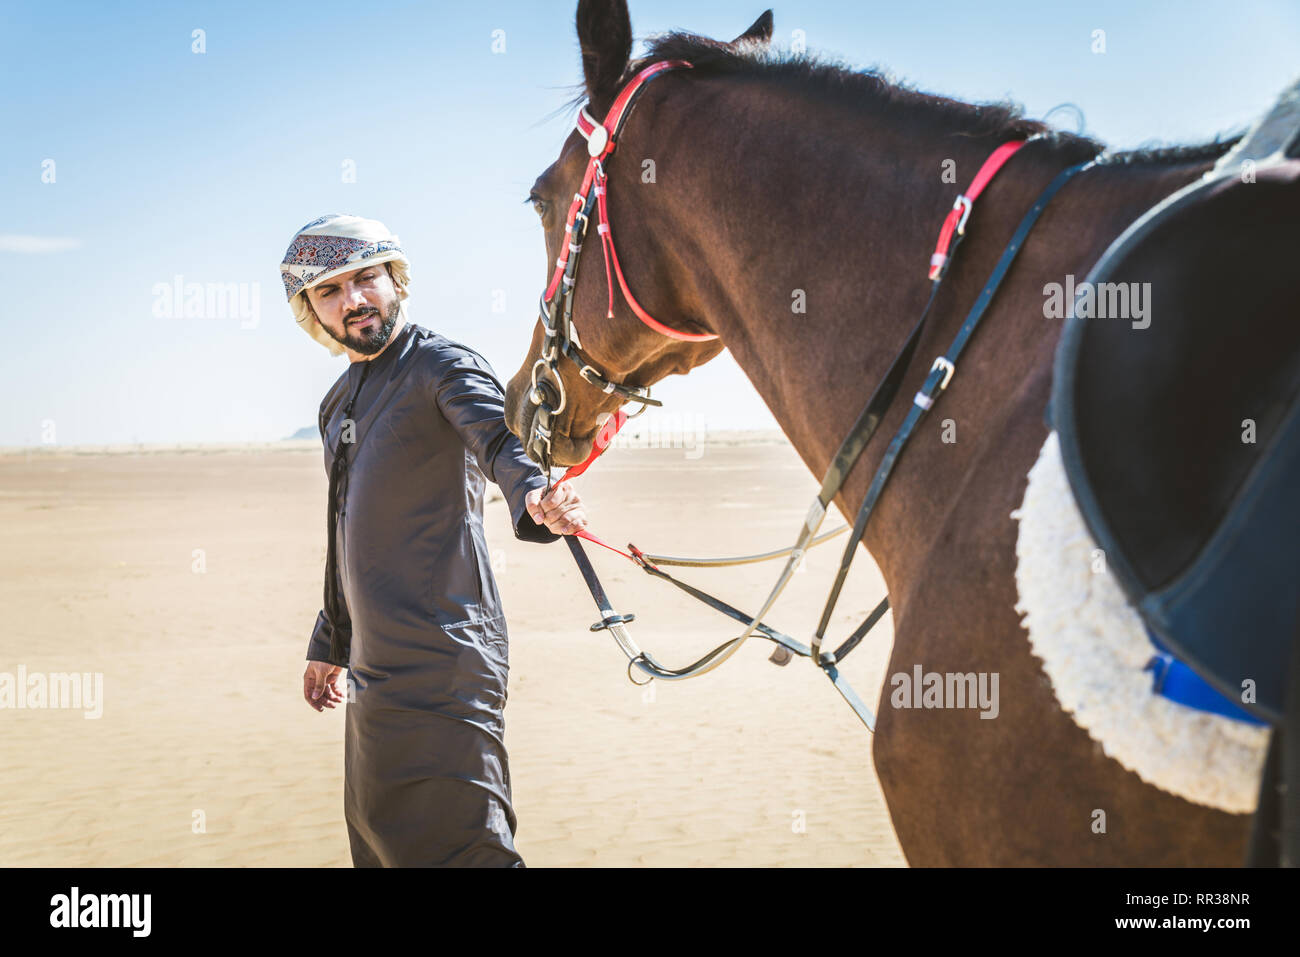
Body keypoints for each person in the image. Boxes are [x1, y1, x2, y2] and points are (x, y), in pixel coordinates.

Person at [281, 214, 586, 867]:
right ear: (312, 310)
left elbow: (500, 439)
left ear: (396, 280)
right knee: (383, 843)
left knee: (468, 848)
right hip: (372, 674)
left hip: (448, 659)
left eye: (366, 278)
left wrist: (533, 493)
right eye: (330, 290)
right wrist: (330, 639)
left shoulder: (440, 365)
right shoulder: (338, 403)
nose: (354, 299)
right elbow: (344, 528)